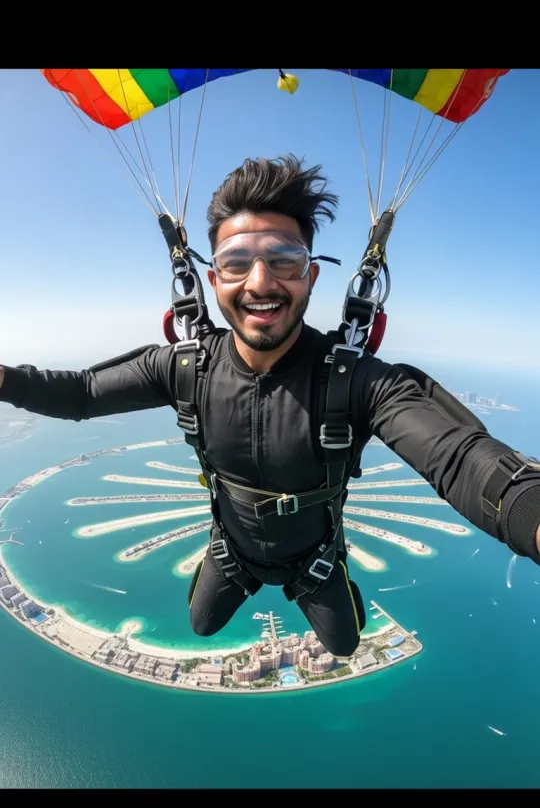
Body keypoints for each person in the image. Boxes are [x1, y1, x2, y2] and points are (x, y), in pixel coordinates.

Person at [1, 154, 540, 658]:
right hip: (233, 548)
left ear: (311, 275)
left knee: (345, 645)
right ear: (212, 281)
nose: (260, 282)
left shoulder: (357, 383)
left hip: (315, 559)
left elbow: (460, 458)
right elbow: (81, 393)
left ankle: (324, 583)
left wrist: (529, 514)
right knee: (201, 625)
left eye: (284, 260)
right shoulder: (185, 368)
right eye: (236, 262)